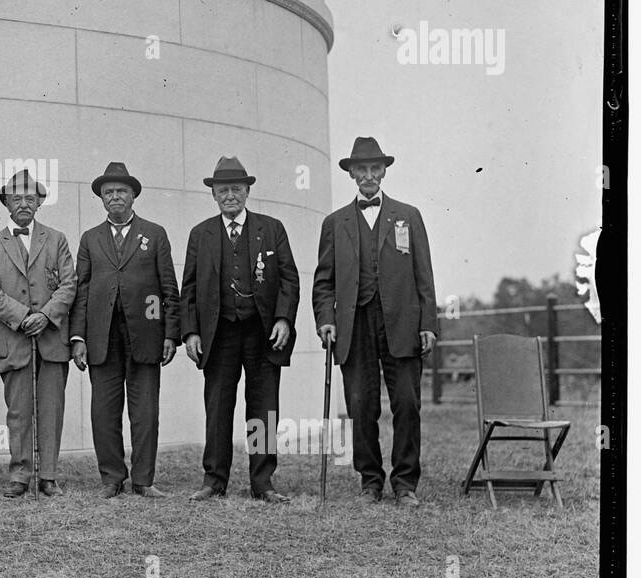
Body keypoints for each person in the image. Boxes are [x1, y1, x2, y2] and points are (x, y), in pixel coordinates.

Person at [312, 136, 437, 507]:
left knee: (407, 402)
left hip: (402, 322)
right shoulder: (335, 223)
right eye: (360, 169)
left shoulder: (408, 215)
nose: (368, 175)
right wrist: (325, 320)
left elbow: (424, 275)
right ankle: (370, 480)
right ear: (352, 174)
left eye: (373, 168)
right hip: (354, 324)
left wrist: (428, 322)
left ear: (383, 171)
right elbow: (324, 282)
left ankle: (404, 484)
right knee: (360, 404)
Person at [180, 156, 299, 503]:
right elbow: (188, 288)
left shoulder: (271, 228)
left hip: (263, 332)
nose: (229, 195)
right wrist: (191, 332)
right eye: (222, 190)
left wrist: (282, 319)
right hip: (219, 334)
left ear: (247, 191)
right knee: (218, 406)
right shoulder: (200, 234)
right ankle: (214, 480)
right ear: (213, 195)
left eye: (236, 188)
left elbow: (289, 279)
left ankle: (262, 482)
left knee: (263, 408)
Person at [69, 162, 179, 498]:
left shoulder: (155, 234)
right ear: (102, 199)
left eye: (121, 191)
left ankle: (144, 479)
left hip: (145, 334)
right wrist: (78, 338)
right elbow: (81, 290)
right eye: (109, 192)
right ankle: (112, 477)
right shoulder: (90, 238)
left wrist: (171, 334)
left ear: (133, 196)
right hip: (102, 337)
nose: (115, 197)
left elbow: (168, 288)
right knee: (103, 410)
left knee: (145, 410)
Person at [0, 169, 76, 498]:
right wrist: (23, 318)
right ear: (6, 203)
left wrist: (46, 316)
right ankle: (20, 475)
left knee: (51, 408)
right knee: (18, 411)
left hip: (51, 340)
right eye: (17, 197)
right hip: (14, 341)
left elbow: (68, 284)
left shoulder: (57, 239)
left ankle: (48, 476)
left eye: (30, 198)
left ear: (39, 203)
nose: (24, 203)